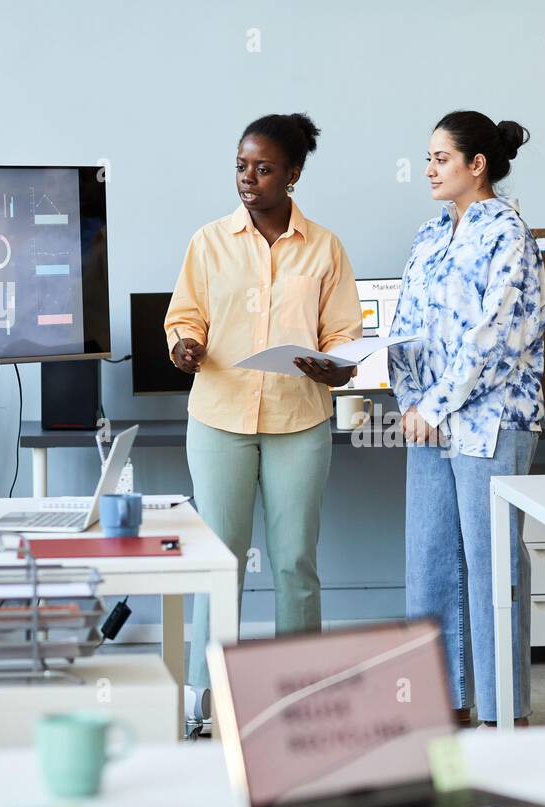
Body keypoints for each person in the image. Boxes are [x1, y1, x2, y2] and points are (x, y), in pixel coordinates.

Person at [164, 113, 362, 724]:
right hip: (219, 416)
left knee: (294, 559)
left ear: (293, 175)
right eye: (242, 166)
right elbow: (184, 316)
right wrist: (184, 345)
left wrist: (338, 367)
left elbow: (346, 338)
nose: (248, 179)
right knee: (219, 560)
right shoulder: (208, 241)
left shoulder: (325, 247)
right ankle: (206, 701)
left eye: (264, 168)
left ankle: (299, 694)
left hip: (298, 420)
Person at [388, 110, 545, 728]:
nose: (428, 169)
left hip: (492, 420)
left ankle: (504, 712)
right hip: (427, 421)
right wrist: (409, 401)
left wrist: (433, 403)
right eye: (427, 158)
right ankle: (442, 703)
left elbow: (497, 338)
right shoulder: (428, 236)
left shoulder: (508, 233)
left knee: (490, 563)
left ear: (476, 165)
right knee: (428, 560)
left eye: (440, 158)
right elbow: (404, 328)